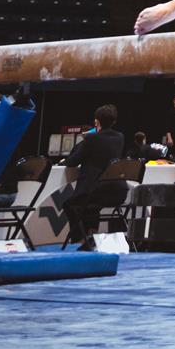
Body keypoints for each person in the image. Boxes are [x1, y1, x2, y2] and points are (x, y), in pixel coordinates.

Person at [61, 104, 128, 246]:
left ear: (96, 122)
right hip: (118, 192)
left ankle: (80, 238)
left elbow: (72, 162)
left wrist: (87, 139)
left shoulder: (91, 139)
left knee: (71, 204)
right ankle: (92, 234)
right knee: (93, 205)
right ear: (114, 121)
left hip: (96, 191)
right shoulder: (120, 138)